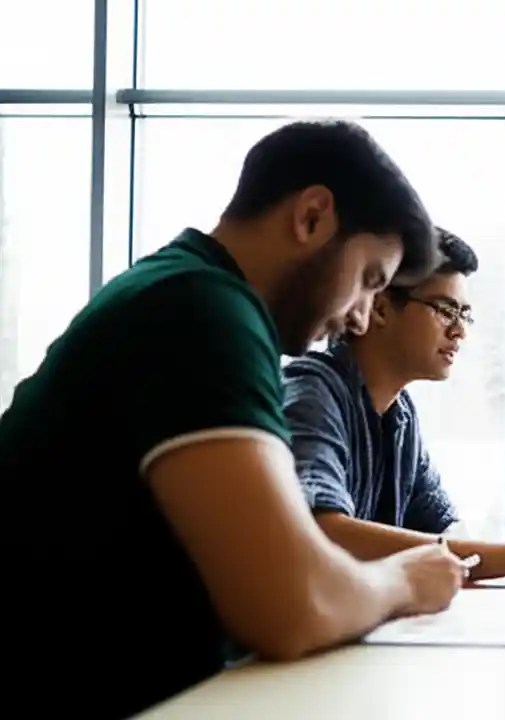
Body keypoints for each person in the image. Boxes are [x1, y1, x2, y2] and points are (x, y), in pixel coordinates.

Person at [1, 120, 469, 718]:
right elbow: (292, 602)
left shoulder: (188, 293)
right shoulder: (203, 311)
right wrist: (407, 581)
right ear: (312, 218)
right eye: (367, 281)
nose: (358, 318)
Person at [284, 229, 505, 584]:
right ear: (379, 307)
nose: (460, 331)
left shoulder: (400, 414)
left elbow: (448, 531)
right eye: (446, 311)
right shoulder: (312, 393)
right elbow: (323, 531)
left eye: (465, 314)